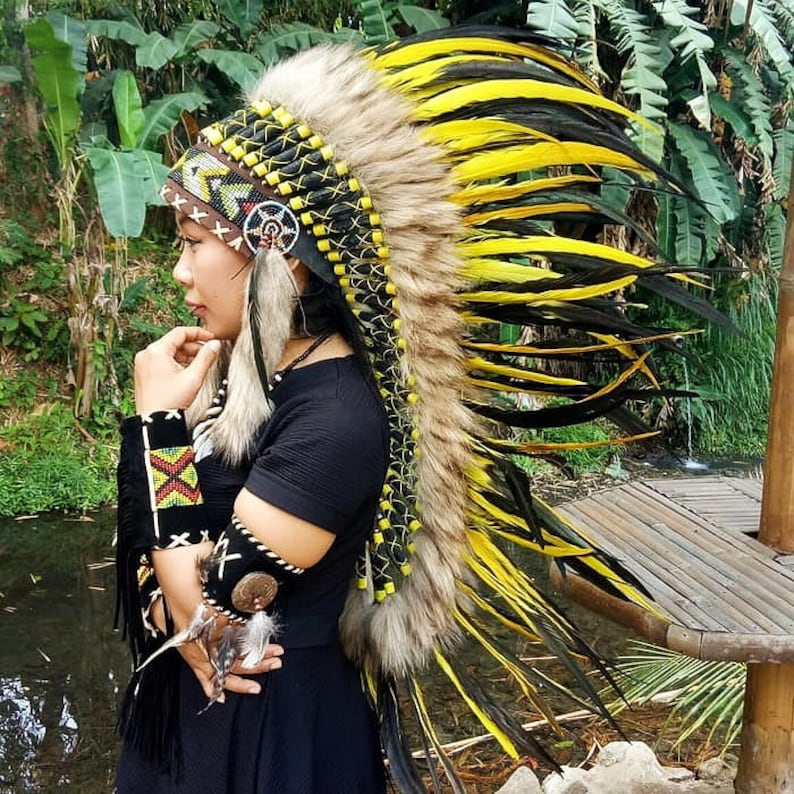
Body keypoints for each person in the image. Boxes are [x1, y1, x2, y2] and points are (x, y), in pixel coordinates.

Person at [114, 28, 696, 794]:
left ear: (278, 253)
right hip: (202, 725)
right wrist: (169, 598)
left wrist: (157, 430)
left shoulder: (337, 421)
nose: (181, 270)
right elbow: (172, 587)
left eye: (194, 241)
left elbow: (214, 621)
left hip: (276, 742)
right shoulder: (246, 373)